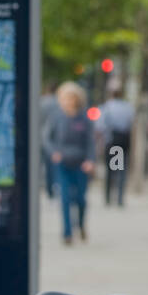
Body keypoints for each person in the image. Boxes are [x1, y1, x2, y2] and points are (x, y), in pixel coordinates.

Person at [44, 81, 96, 244]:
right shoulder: (57, 117)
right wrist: (54, 153)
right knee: (65, 199)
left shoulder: (84, 118)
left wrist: (90, 160)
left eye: (72, 98)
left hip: (80, 164)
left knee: (80, 199)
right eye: (66, 98)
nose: (69, 102)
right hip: (63, 164)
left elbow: (90, 142)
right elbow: (46, 138)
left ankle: (80, 225)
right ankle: (67, 233)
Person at [96, 83, 134, 206]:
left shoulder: (106, 107)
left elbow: (100, 126)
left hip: (111, 141)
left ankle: (107, 198)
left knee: (110, 170)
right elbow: (131, 124)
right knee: (121, 169)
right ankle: (120, 198)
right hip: (123, 141)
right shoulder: (128, 107)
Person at [40, 82, 60, 197]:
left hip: (39, 137)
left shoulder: (41, 101)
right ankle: (52, 188)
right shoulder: (58, 103)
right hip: (54, 139)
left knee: (42, 164)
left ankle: (47, 187)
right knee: (52, 165)